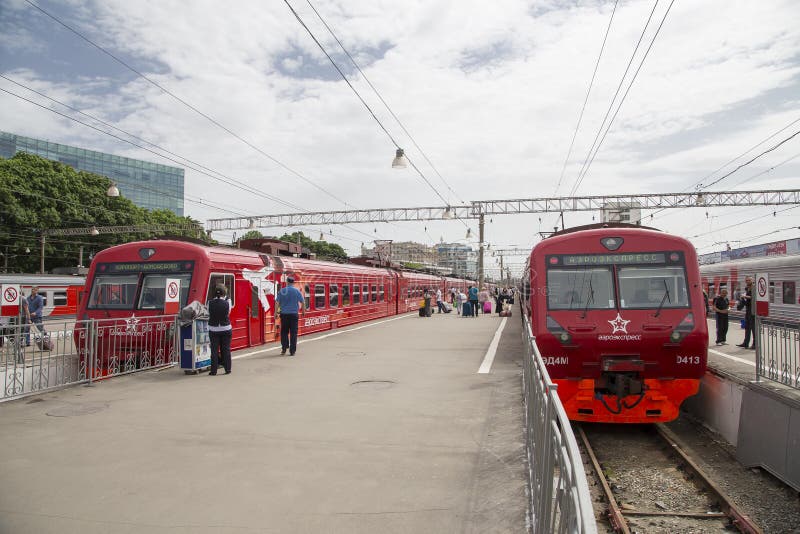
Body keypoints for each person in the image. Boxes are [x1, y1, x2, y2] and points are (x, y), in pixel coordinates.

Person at [207, 284, 232, 375]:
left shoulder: (210, 303)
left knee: (214, 350)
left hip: (213, 329)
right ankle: (227, 369)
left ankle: (213, 371)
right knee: (226, 349)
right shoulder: (227, 302)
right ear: (224, 293)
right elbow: (228, 312)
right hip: (226, 328)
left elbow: (208, 313)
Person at [276, 276, 304, 355]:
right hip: (294, 315)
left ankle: (284, 348)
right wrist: (303, 312)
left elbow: (277, 303)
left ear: (287, 282)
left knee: (284, 332)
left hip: (284, 315)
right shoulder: (297, 291)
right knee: (293, 333)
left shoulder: (282, 291)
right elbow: (303, 302)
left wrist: (275, 313)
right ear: (293, 282)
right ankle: (292, 351)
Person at [737, 277, 755, 350]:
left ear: (752, 280)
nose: (747, 281)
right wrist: (742, 300)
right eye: (746, 280)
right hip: (748, 310)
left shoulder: (754, 288)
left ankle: (754, 344)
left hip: (753, 310)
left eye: (749, 280)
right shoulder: (747, 288)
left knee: (753, 328)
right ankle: (746, 343)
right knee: (747, 327)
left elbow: (754, 297)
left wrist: (745, 296)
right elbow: (747, 301)